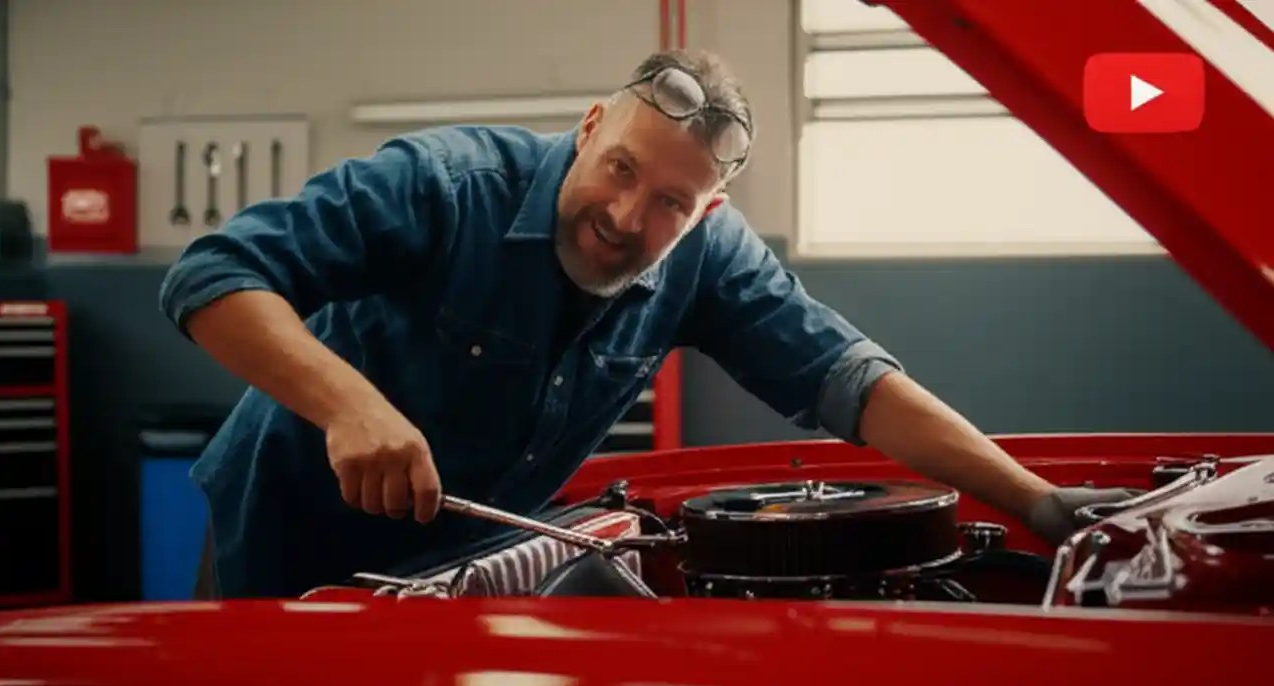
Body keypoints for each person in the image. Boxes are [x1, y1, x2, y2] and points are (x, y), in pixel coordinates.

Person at [159, 48, 1137, 599]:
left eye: (671, 203)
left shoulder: (706, 258)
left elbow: (848, 381)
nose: (630, 219)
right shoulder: (444, 185)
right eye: (622, 170)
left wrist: (1033, 501)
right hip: (281, 546)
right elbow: (212, 275)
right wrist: (346, 405)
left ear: (708, 211)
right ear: (589, 127)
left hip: (462, 562)